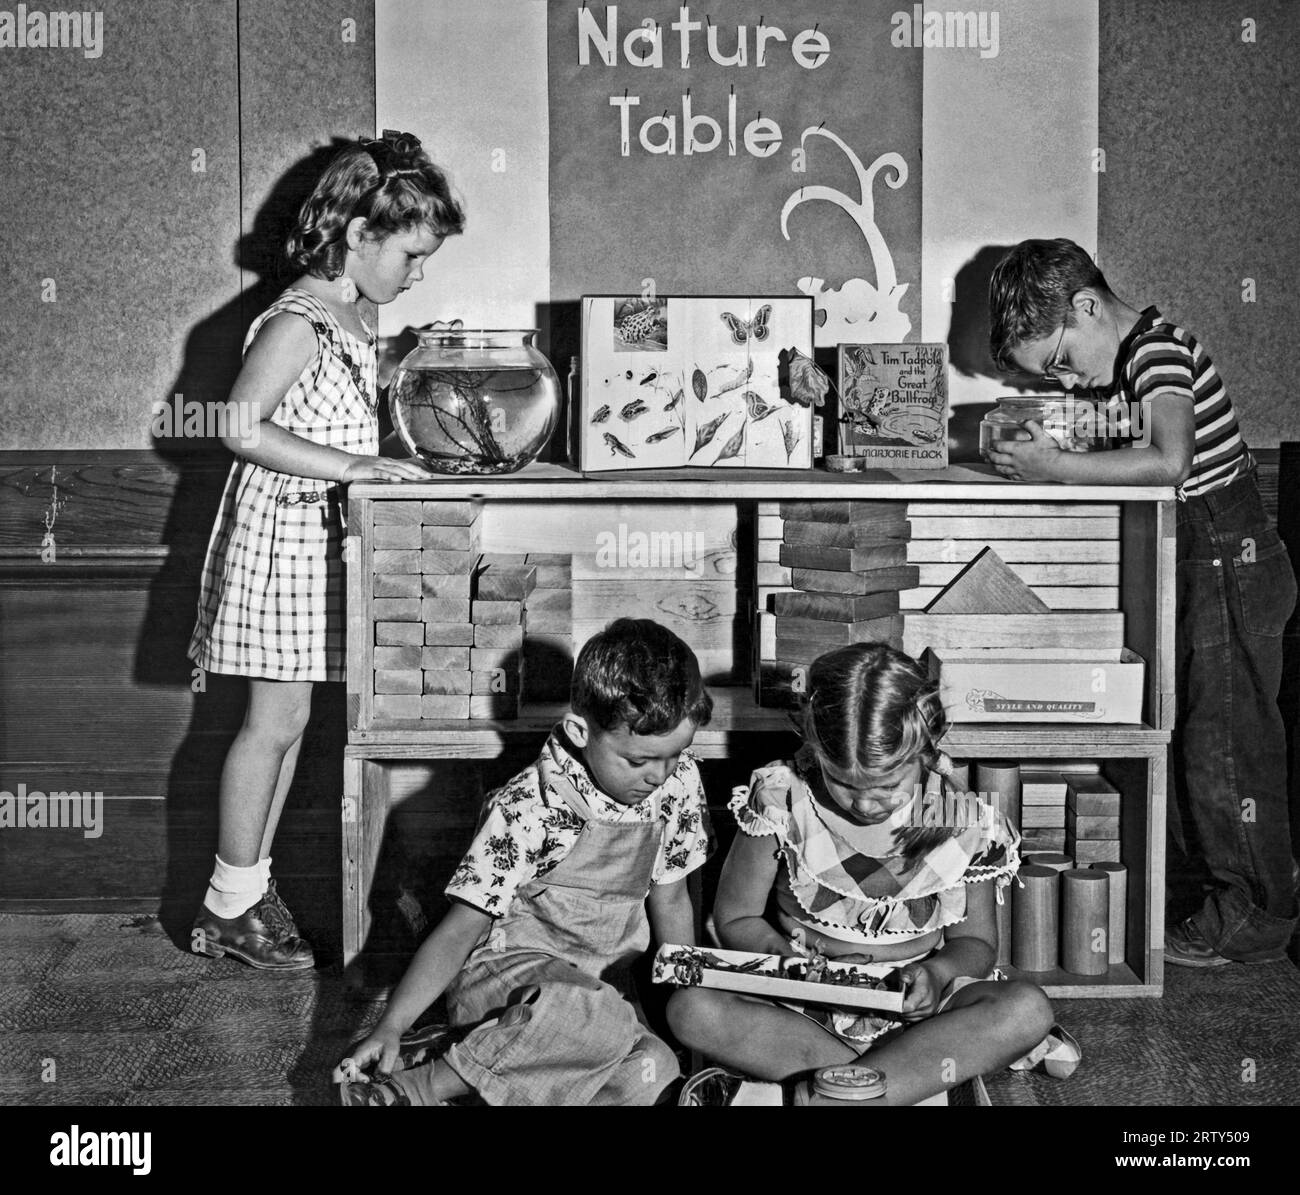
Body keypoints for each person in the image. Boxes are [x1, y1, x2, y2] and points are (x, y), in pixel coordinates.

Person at [188, 131, 465, 969]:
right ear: (357, 235)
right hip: (283, 539)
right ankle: (226, 903)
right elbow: (241, 424)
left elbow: (329, 410)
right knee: (270, 724)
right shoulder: (302, 315)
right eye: (412, 256)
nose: (417, 274)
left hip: (318, 539)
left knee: (291, 722)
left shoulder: (349, 314)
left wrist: (410, 365)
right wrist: (351, 466)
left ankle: (242, 891)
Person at [987, 238, 1298, 966]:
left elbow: (1170, 459)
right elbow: (1129, 442)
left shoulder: (1155, 351)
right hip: (1205, 557)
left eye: (1061, 359)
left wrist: (1057, 467)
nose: (1067, 379)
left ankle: (1256, 911)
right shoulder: (1129, 365)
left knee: (1228, 748)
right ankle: (1249, 882)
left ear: (1088, 306)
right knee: (1202, 739)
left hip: (1228, 556)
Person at [335, 619, 714, 1106]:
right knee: (593, 1015)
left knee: (654, 1070)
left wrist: (691, 995)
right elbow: (461, 928)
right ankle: (419, 1087)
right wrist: (390, 1025)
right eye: (638, 761)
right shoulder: (527, 806)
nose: (658, 776)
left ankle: (475, 1069)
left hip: (600, 1000)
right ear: (581, 731)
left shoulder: (678, 785)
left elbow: (673, 896)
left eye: (674, 754)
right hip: (508, 982)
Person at [667, 643, 1053, 1106]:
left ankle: (815, 1095)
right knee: (691, 1009)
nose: (867, 804)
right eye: (844, 783)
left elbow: (978, 945)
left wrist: (937, 971)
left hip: (917, 1017)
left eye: (889, 786)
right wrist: (785, 966)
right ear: (815, 748)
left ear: (925, 751)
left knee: (1026, 1009)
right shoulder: (782, 800)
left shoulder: (964, 820)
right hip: (802, 1010)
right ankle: (894, 1088)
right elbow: (734, 917)